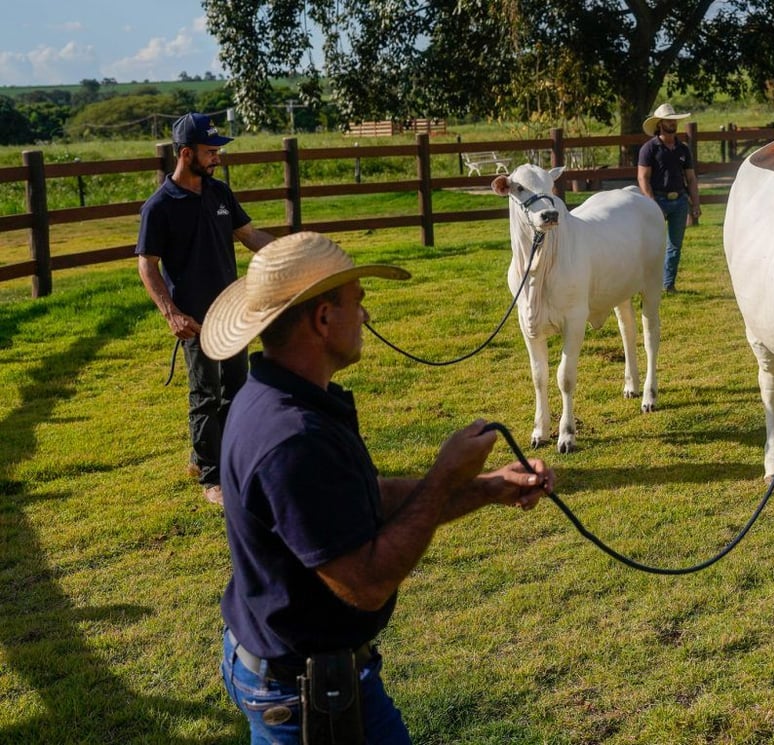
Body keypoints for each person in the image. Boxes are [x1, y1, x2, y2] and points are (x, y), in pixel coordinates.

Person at [200, 231, 554, 744]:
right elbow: (365, 583)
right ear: (324, 319)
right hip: (305, 696)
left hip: (292, 670)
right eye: (357, 303)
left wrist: (490, 487)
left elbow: (361, 503)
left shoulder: (279, 398)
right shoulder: (292, 440)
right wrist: (442, 476)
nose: (364, 317)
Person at [136, 112, 274, 506]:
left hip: (233, 310)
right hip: (195, 319)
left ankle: (224, 461)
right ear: (185, 153)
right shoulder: (159, 207)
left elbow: (248, 235)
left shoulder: (219, 193)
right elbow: (146, 264)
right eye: (211, 151)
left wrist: (293, 253)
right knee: (206, 395)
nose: (218, 158)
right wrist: (171, 313)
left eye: (218, 151)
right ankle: (212, 480)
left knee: (237, 390)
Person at [637, 102, 701, 293]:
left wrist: (695, 203)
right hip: (658, 199)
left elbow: (690, 177)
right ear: (659, 124)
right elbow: (643, 177)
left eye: (674, 121)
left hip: (680, 201)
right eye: (668, 121)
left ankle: (668, 284)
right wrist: (652, 203)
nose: (672, 124)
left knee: (674, 246)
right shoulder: (649, 149)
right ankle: (646, 284)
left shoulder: (683, 149)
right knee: (652, 245)